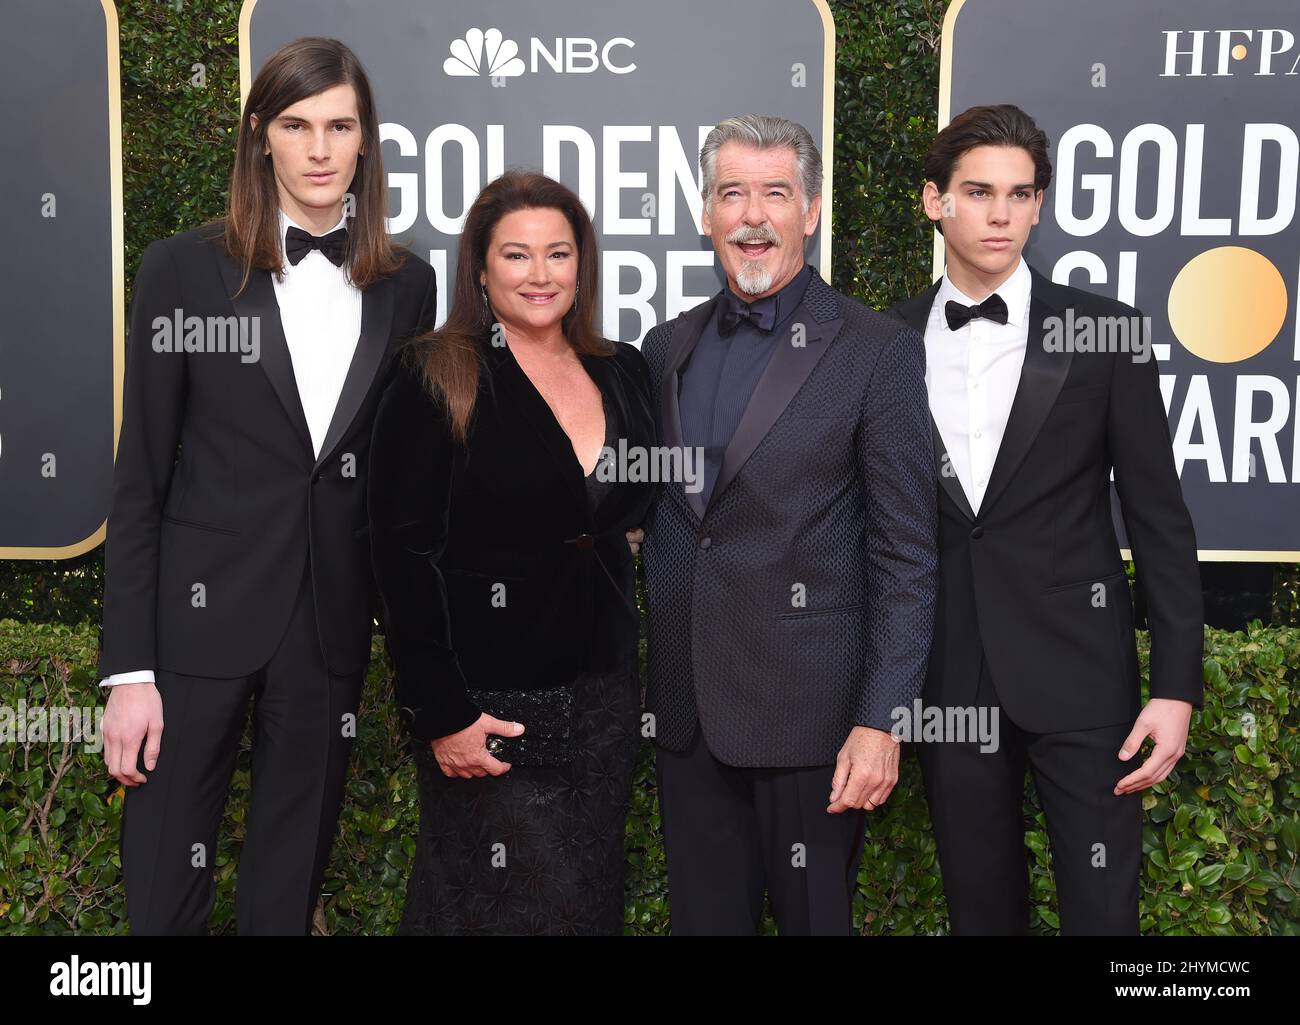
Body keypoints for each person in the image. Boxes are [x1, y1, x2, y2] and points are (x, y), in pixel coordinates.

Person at [98, 37, 437, 934]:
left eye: (339, 126)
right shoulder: (181, 268)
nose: (320, 149)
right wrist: (128, 672)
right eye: (296, 125)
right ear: (260, 137)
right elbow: (140, 483)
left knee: (286, 892)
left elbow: (400, 481)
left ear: (366, 141)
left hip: (327, 630)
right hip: (194, 627)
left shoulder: (409, 286)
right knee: (166, 883)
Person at [888, 104, 1204, 934]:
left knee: (1104, 914)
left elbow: (1161, 519)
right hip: (949, 677)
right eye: (979, 191)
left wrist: (1175, 686)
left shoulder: (1105, 333)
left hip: (1082, 675)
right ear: (935, 200)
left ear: (1038, 205)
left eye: (1021, 194)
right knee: (980, 910)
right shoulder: (885, 344)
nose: (1001, 214)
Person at [638, 114, 938, 935]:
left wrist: (881, 722)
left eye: (775, 193)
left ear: (811, 211)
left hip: (814, 721)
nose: (752, 216)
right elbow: (663, 521)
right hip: (688, 711)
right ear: (706, 214)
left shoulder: (876, 349)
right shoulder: (665, 347)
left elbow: (907, 552)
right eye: (732, 193)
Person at [368, 170, 657, 935]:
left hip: (603, 701)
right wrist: (443, 712)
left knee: (584, 905)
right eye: (517, 255)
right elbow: (402, 556)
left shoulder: (621, 369)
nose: (540, 274)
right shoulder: (437, 371)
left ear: (582, 264)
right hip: (491, 707)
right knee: (490, 906)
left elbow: (627, 512)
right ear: (482, 268)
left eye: (558, 254)